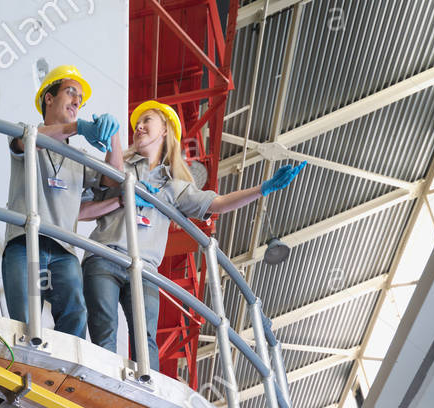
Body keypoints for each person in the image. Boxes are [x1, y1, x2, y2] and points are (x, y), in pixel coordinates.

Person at [79, 99, 306, 370]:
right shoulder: (119, 167)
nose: (138, 126)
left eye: (146, 120)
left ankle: (144, 398)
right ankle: (101, 392)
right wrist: (121, 198)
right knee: (104, 329)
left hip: (145, 269)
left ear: (164, 130)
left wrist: (262, 189)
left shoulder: (175, 188)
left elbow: (217, 203)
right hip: (104, 255)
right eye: (137, 123)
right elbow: (81, 207)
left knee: (145, 340)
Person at [1, 66, 121, 337]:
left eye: (80, 97)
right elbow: (28, 141)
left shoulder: (79, 158)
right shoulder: (26, 132)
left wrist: (114, 137)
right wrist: (77, 127)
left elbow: (113, 182)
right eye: (71, 92)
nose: (77, 101)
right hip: (24, 242)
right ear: (49, 98)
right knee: (23, 325)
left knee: (75, 316)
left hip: (64, 251)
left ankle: (68, 379)